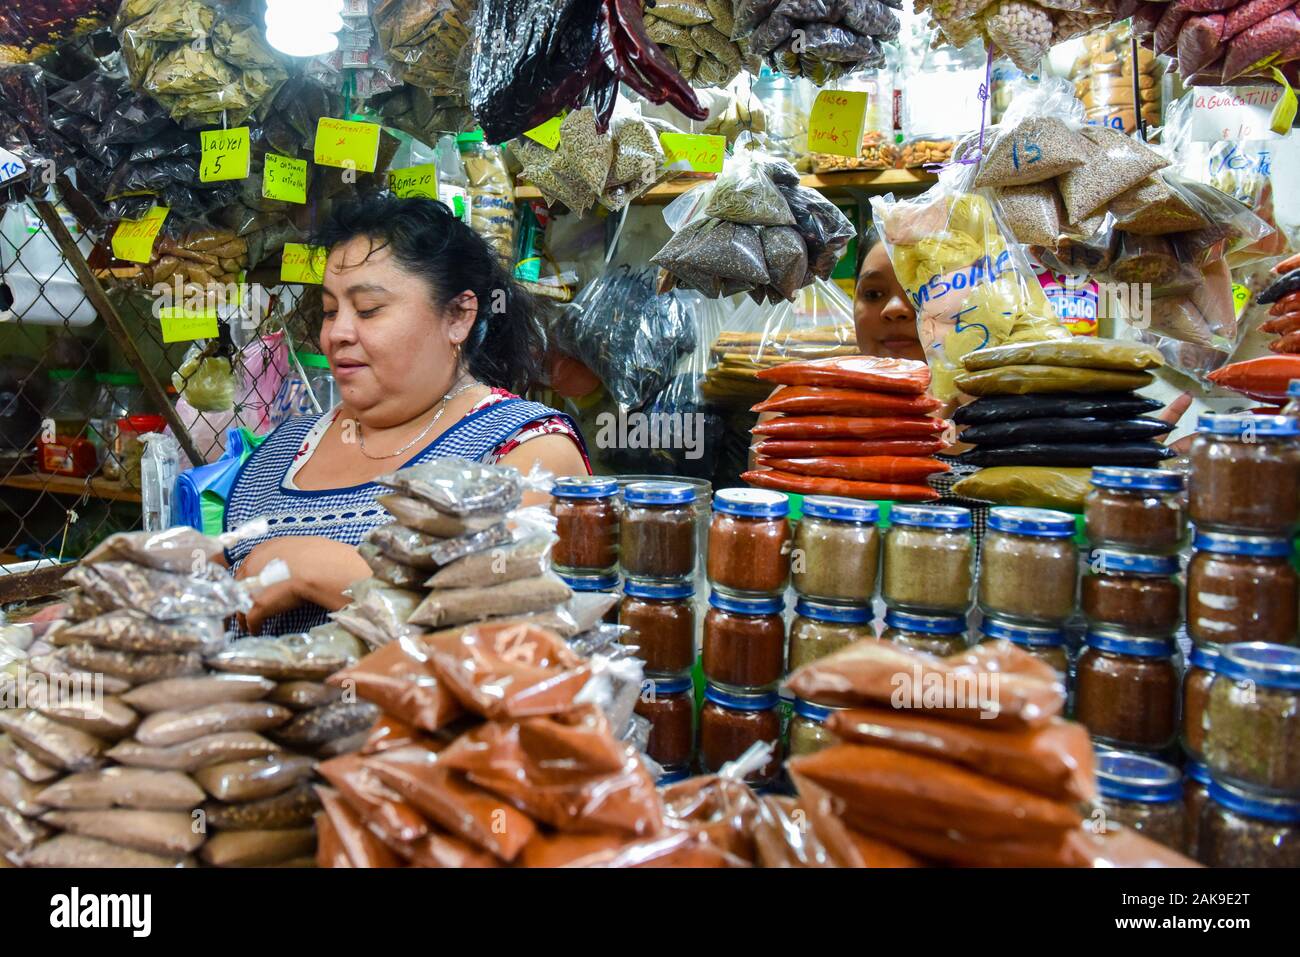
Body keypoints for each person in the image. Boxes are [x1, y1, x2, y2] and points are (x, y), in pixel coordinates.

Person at [223, 196, 590, 634]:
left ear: (458, 316)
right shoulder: (280, 452)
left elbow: (513, 638)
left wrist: (320, 570)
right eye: (329, 311)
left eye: (368, 310)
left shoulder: (526, 449)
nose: (337, 333)